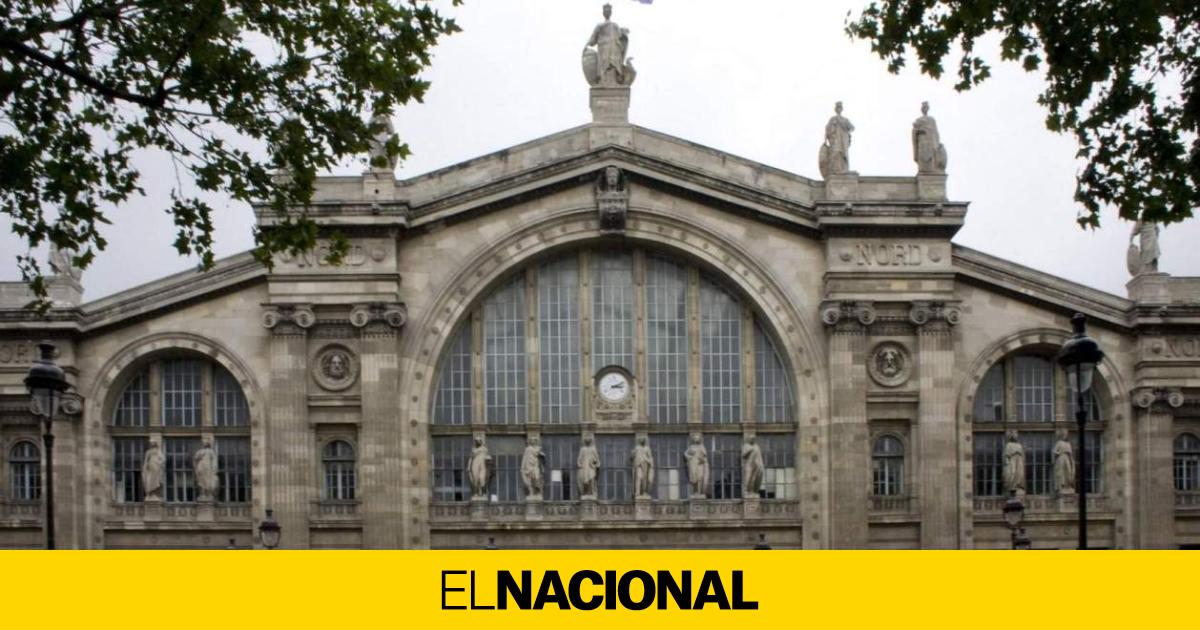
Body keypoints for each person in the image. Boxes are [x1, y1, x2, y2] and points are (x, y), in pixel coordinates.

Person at [585, 4, 633, 86]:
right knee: (604, 65)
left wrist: (623, 32)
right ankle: (603, 81)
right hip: (603, 48)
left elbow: (620, 36)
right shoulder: (599, 26)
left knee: (613, 64)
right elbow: (593, 39)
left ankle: (613, 82)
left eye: (608, 10)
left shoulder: (615, 25)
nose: (607, 12)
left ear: (610, 12)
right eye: (605, 10)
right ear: (603, 12)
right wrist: (587, 45)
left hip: (614, 48)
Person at [818, 102, 854, 177]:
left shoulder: (845, 120)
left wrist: (846, 130)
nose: (838, 109)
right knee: (835, 153)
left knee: (843, 154)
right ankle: (834, 169)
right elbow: (827, 129)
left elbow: (852, 128)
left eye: (840, 107)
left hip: (843, 139)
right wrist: (826, 140)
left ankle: (843, 169)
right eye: (837, 107)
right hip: (835, 139)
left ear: (841, 109)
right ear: (836, 109)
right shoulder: (833, 119)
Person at [911, 101, 948, 174]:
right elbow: (915, 131)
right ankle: (924, 170)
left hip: (931, 141)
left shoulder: (932, 120)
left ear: (928, 108)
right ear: (922, 109)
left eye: (926, 107)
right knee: (924, 158)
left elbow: (935, 132)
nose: (925, 109)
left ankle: (932, 170)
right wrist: (918, 131)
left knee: (932, 158)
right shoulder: (918, 120)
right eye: (923, 108)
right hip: (923, 142)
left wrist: (937, 144)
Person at [685, 433, 709, 498]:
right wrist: (689, 457)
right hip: (692, 464)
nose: (696, 439)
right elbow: (686, 454)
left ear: (699, 439)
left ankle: (699, 492)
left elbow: (704, 456)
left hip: (699, 464)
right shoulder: (691, 447)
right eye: (695, 438)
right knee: (694, 478)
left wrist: (702, 459)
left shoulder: (701, 446)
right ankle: (695, 492)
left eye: (697, 438)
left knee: (699, 477)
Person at [520, 435, 545, 499]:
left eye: (534, 440)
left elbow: (542, 459)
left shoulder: (538, 449)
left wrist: (541, 455)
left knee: (537, 478)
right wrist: (522, 467)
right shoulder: (528, 449)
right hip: (529, 466)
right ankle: (531, 493)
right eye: (531, 440)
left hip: (535, 466)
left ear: (536, 441)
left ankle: (538, 492)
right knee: (529, 480)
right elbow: (525, 458)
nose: (532, 441)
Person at [577, 434, 600, 498]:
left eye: (589, 440)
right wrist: (579, 464)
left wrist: (595, 462)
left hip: (591, 467)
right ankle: (585, 493)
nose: (588, 441)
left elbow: (597, 459)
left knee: (591, 479)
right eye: (586, 440)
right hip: (584, 467)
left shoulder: (593, 449)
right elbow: (579, 458)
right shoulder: (583, 449)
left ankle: (591, 493)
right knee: (585, 480)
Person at [1053, 429, 1076, 494]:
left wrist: (1072, 461)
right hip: (1061, 458)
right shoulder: (1059, 443)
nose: (1065, 436)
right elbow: (1054, 451)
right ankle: (1061, 486)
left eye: (1066, 435)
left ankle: (1068, 485)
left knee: (1069, 471)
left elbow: (1071, 454)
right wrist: (1059, 453)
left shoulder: (1068, 444)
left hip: (1067, 458)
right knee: (1061, 472)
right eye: (1064, 435)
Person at [1003, 431, 1026, 496]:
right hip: (1012, 460)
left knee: (1019, 473)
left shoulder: (1019, 445)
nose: (1015, 436)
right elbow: (1006, 454)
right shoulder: (1009, 444)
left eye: (1016, 435)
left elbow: (1022, 454)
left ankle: (1018, 486)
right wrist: (1007, 460)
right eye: (1014, 435)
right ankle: (1011, 487)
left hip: (1019, 460)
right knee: (1012, 472)